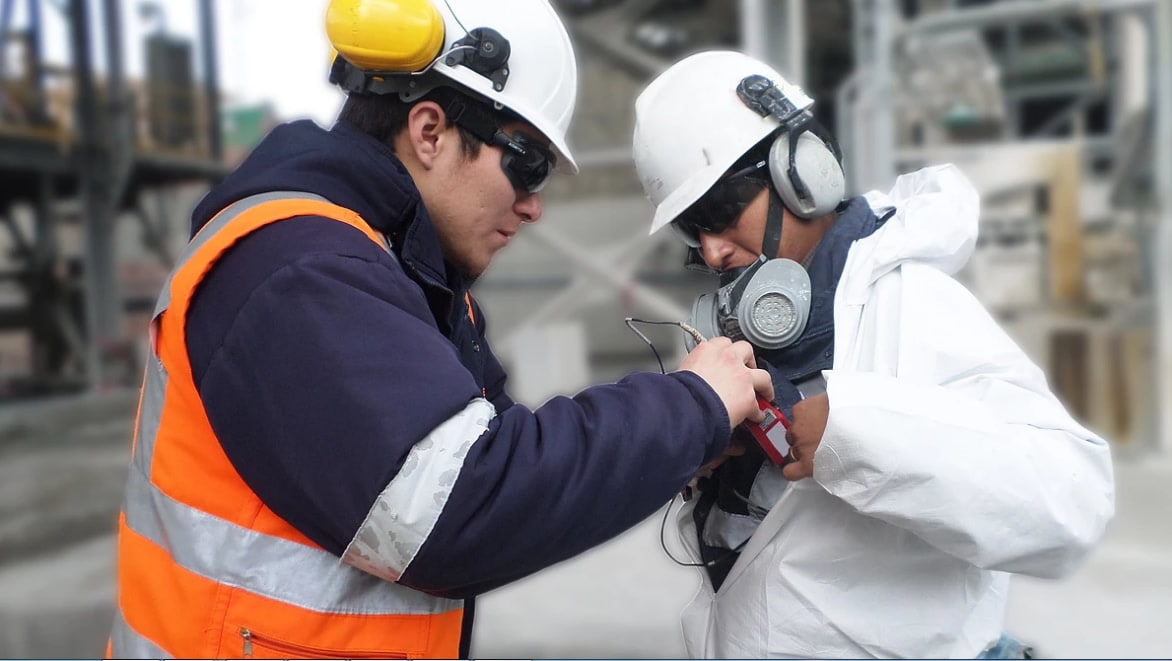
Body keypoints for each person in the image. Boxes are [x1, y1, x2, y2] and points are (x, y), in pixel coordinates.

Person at [106, 4, 774, 659]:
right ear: (429, 131)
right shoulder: (300, 271)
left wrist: (693, 439)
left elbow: (521, 466)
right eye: (528, 163)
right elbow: (458, 509)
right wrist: (693, 404)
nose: (535, 205)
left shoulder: (403, 282)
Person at [631, 50, 1116, 659]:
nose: (712, 251)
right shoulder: (755, 333)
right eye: (689, 229)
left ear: (803, 171)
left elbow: (1071, 504)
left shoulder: (911, 302)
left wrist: (860, 434)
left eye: (720, 212)